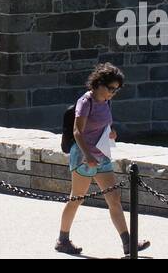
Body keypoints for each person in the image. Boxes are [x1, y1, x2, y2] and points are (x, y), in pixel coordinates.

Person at [56, 63, 150, 256]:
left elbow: (103, 125)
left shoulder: (106, 102)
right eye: (110, 89)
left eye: (116, 90)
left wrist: (111, 133)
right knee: (77, 199)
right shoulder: (85, 102)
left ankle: (128, 243)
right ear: (98, 84)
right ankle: (62, 240)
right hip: (84, 157)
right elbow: (77, 132)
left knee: (114, 199)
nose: (112, 93)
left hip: (102, 154)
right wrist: (88, 156)